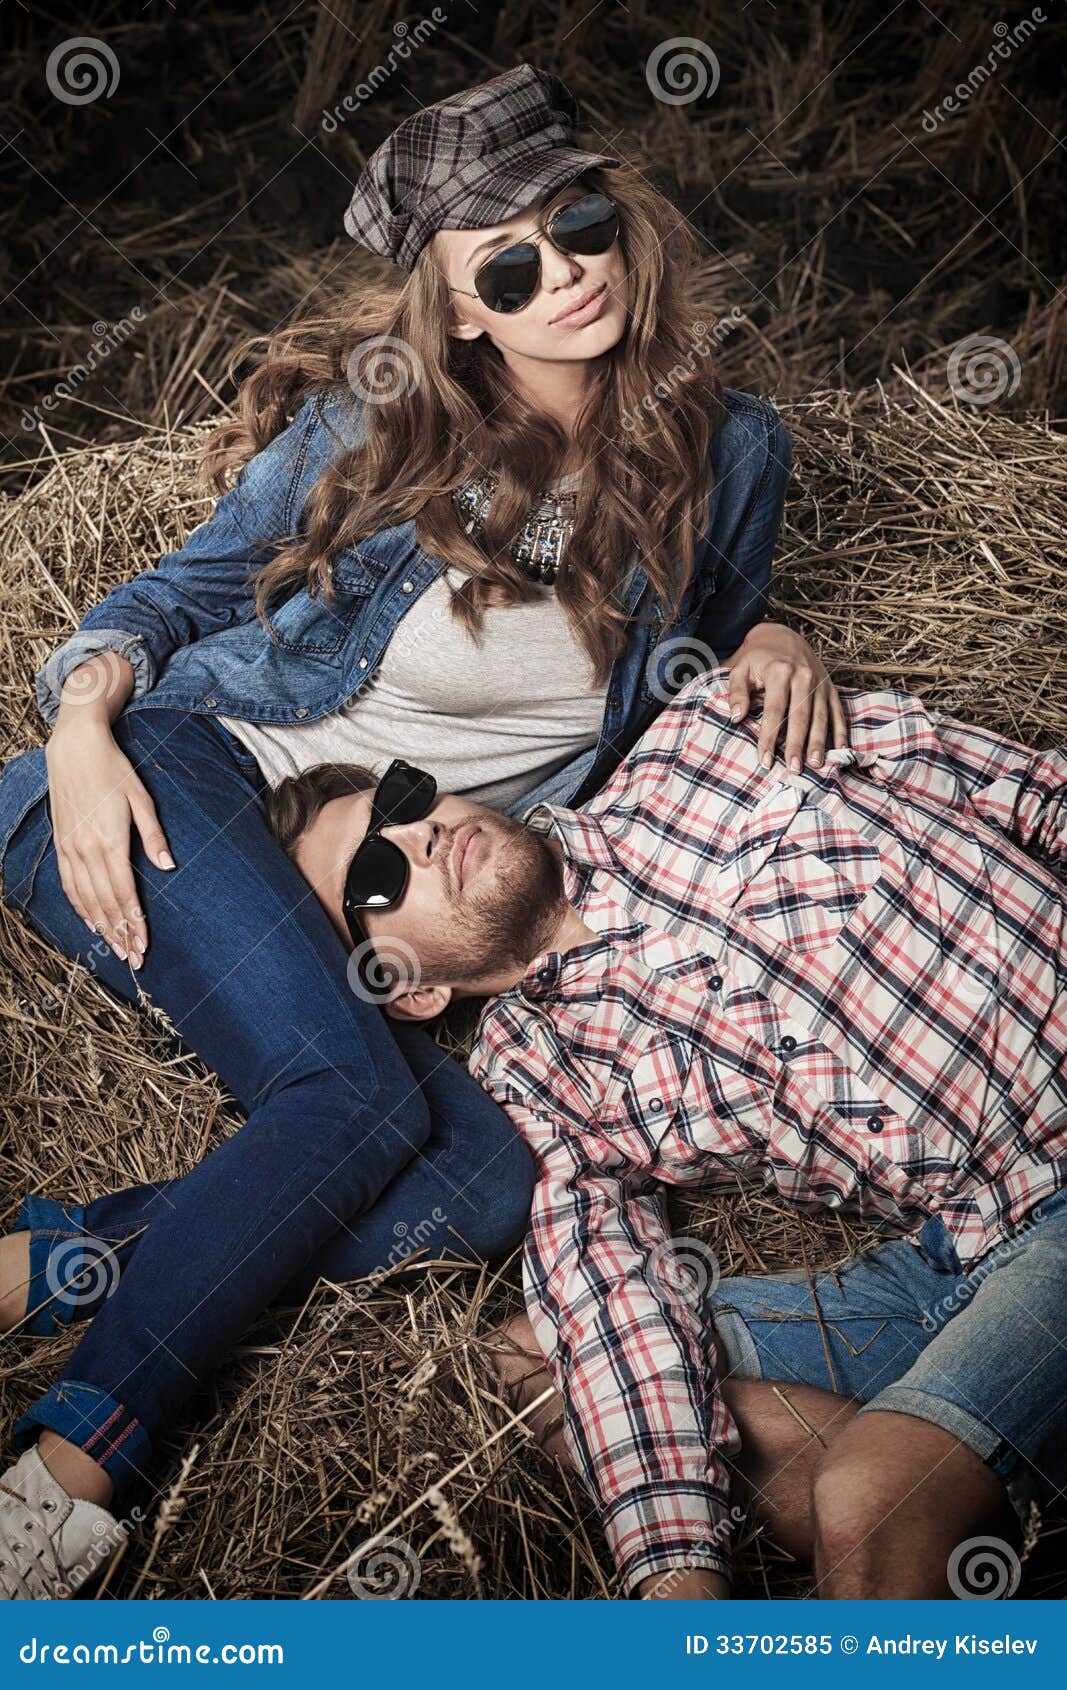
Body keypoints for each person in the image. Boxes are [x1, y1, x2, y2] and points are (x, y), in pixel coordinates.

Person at [0, 64, 836, 1597]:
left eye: (574, 227)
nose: (561, 272)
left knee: (487, 1181)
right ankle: (61, 1475)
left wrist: (768, 633)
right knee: (360, 1102)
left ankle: (47, 1261)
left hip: (362, 886)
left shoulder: (733, 457)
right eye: (504, 264)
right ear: (456, 309)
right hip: (169, 781)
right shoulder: (370, 422)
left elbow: (679, 665)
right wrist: (74, 723)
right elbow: (181, 593)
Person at [232, 665, 1060, 1601]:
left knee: (868, 1496)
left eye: (403, 797)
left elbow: (1028, 791)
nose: (419, 836)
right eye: (377, 877)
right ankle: (969, 1458)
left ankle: (919, 1477)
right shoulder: (536, 1080)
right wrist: (676, 1572)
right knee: (536, 1369)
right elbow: (607, 1295)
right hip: (967, 1245)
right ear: (411, 989)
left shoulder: (712, 727)